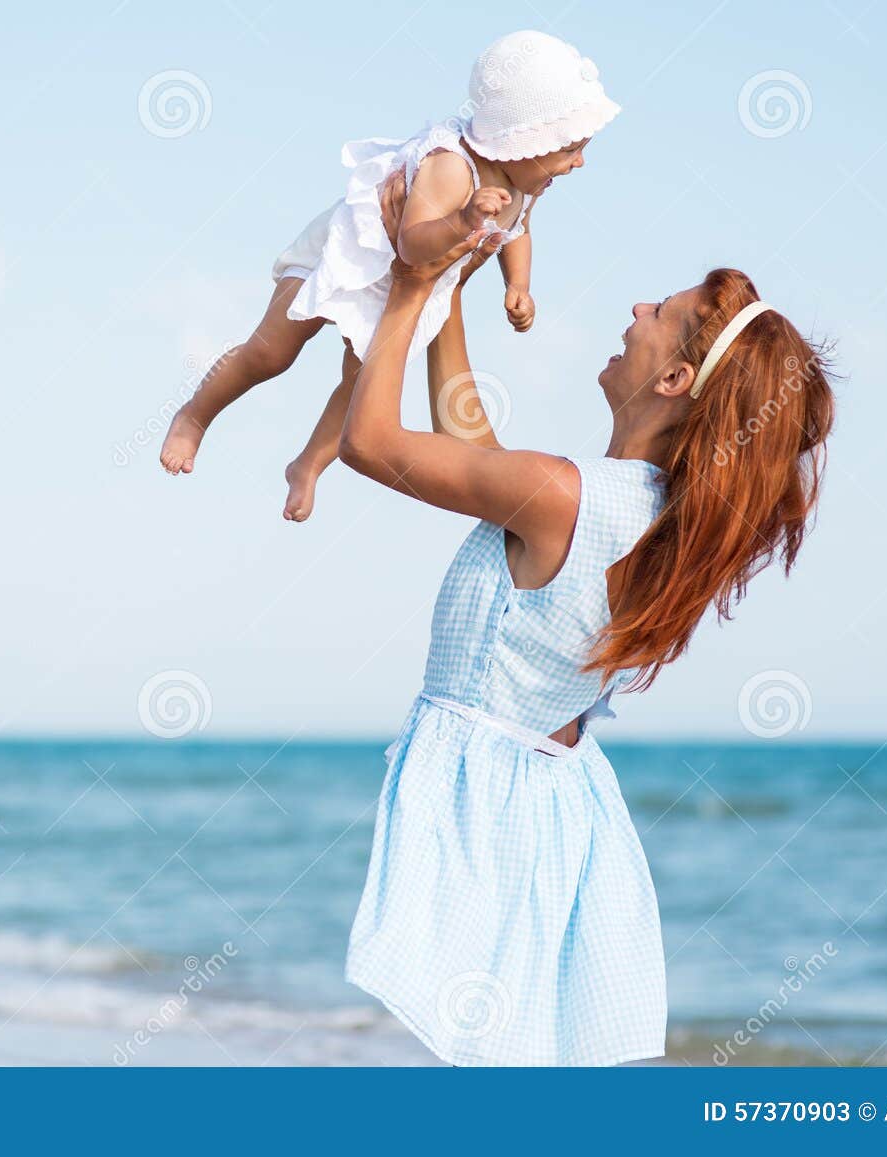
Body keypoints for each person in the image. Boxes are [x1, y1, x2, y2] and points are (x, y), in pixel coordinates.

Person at [335, 172, 836, 1065]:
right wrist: (453, 294)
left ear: (678, 376)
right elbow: (477, 458)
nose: (637, 306)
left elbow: (368, 444)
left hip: (484, 806)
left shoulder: (565, 495)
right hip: (553, 806)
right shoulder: (653, 514)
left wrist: (410, 288)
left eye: (662, 311)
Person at [158, 30, 620, 522]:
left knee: (361, 385)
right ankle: (195, 414)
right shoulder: (453, 169)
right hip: (351, 256)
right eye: (569, 148)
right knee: (272, 350)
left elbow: (519, 229)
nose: (579, 162)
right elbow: (412, 243)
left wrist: (517, 284)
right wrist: (462, 223)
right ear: (521, 142)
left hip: (399, 292)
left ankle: (308, 464)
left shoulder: (528, 186)